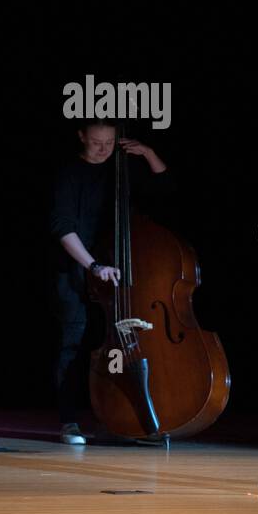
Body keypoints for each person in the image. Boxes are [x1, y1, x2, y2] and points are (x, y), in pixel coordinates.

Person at [47, 120, 170, 444]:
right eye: (96, 142)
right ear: (82, 138)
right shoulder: (69, 174)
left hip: (121, 274)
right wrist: (93, 265)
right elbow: (62, 227)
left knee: (126, 343)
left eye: (110, 142)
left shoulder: (123, 169)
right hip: (77, 269)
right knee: (73, 345)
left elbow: (166, 191)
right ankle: (69, 422)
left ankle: (124, 417)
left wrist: (149, 153)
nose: (103, 149)